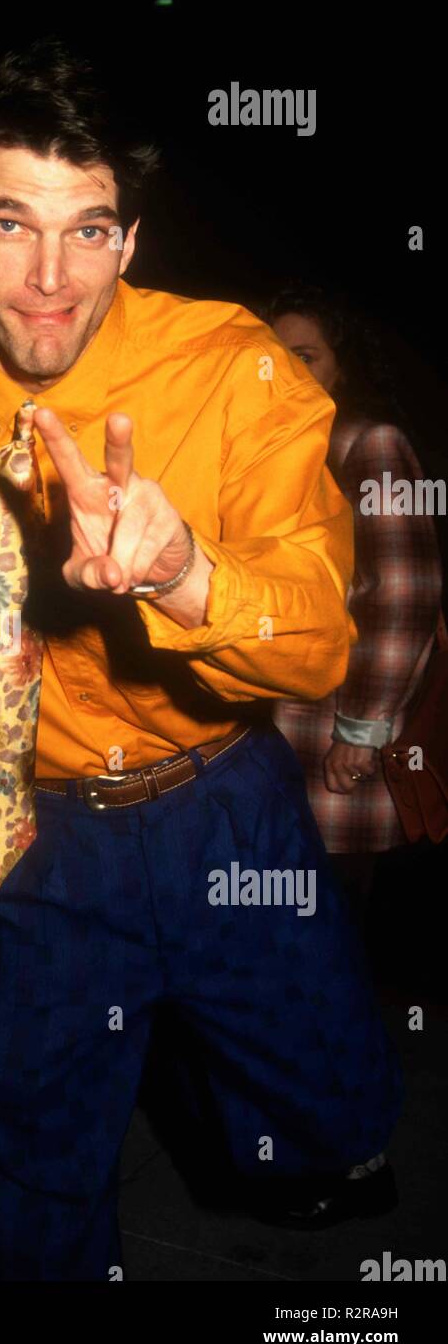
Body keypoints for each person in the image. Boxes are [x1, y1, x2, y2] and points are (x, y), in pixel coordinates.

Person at [0, 39, 404, 1280]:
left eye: (90, 231)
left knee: (335, 1113)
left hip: (224, 805)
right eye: (9, 225)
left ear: (131, 243)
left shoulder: (233, 370)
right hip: (25, 823)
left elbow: (316, 638)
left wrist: (185, 573)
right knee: (29, 1158)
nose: (50, 279)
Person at [267, 287, 442, 911]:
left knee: (331, 934)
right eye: (274, 355)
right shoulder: (273, 450)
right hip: (275, 745)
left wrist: (361, 731)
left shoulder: (368, 443)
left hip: (333, 745)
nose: (287, 371)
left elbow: (403, 594)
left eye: (306, 356)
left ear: (344, 368)